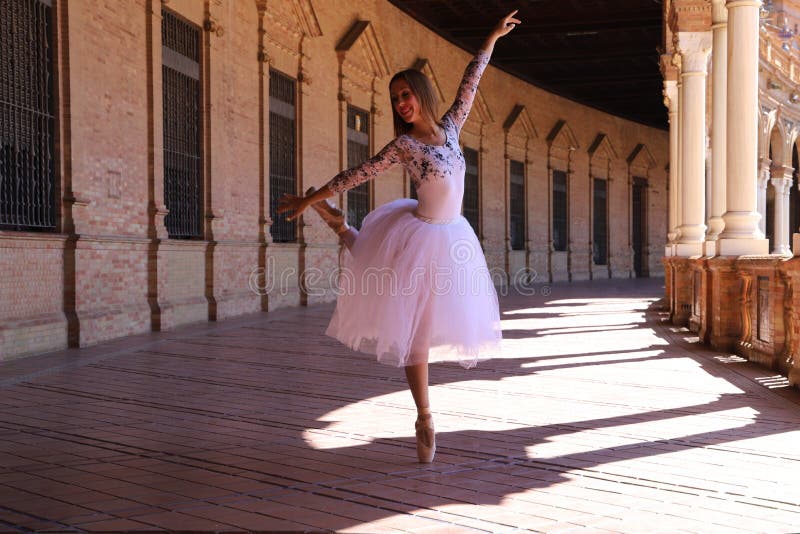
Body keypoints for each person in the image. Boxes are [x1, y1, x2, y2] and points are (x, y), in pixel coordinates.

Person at [278, 10, 521, 463]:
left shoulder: (451, 128)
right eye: (395, 99)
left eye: (406, 95)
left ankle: (342, 226)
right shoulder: (404, 146)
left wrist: (491, 36)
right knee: (415, 332)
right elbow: (359, 172)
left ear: (421, 93)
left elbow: (473, 77)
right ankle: (425, 417)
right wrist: (309, 201)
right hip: (424, 234)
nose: (401, 104)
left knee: (378, 262)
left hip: (452, 239)